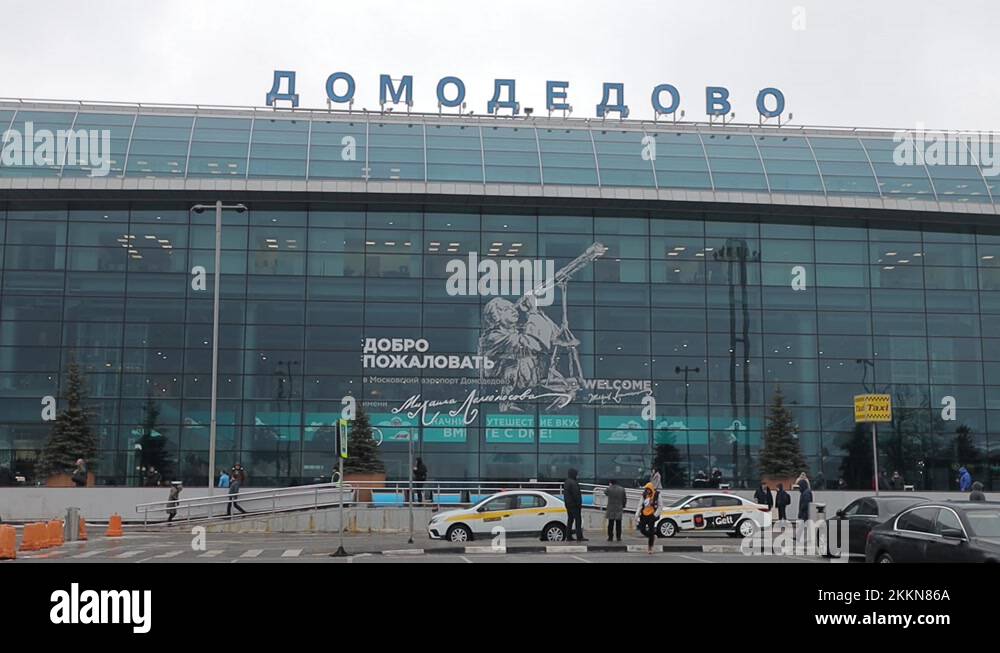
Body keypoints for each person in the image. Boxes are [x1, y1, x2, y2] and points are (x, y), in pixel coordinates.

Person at [634, 482, 660, 554]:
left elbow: (660, 506)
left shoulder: (657, 495)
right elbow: (640, 505)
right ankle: (652, 536)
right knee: (642, 530)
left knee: (651, 530)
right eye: (646, 489)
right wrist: (637, 515)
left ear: (651, 489)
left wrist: (655, 515)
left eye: (648, 489)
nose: (647, 491)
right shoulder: (644, 495)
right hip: (644, 515)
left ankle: (650, 547)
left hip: (652, 515)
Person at [563, 468, 585, 541]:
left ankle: (568, 536)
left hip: (568, 504)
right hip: (575, 505)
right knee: (578, 520)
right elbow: (576, 495)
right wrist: (579, 504)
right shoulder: (573, 482)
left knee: (570, 520)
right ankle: (579, 536)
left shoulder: (567, 482)